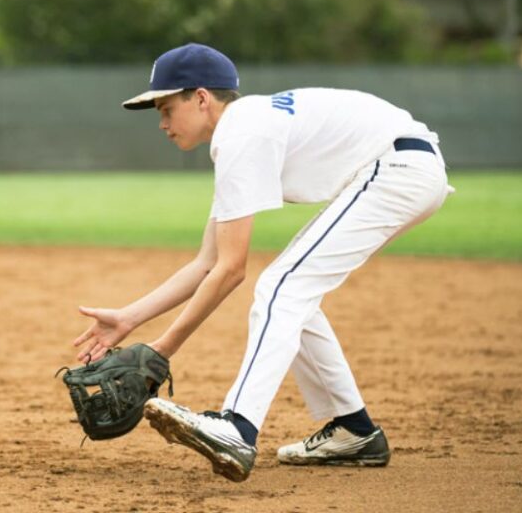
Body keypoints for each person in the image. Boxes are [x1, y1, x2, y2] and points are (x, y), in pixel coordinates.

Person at [73, 43, 452, 482]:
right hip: (403, 167)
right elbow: (206, 263)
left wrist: (163, 349)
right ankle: (354, 429)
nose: (161, 123)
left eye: (166, 107)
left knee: (282, 287)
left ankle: (238, 426)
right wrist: (129, 318)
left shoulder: (243, 133)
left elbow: (232, 270)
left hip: (399, 168)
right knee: (293, 291)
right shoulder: (243, 132)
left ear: (200, 98)